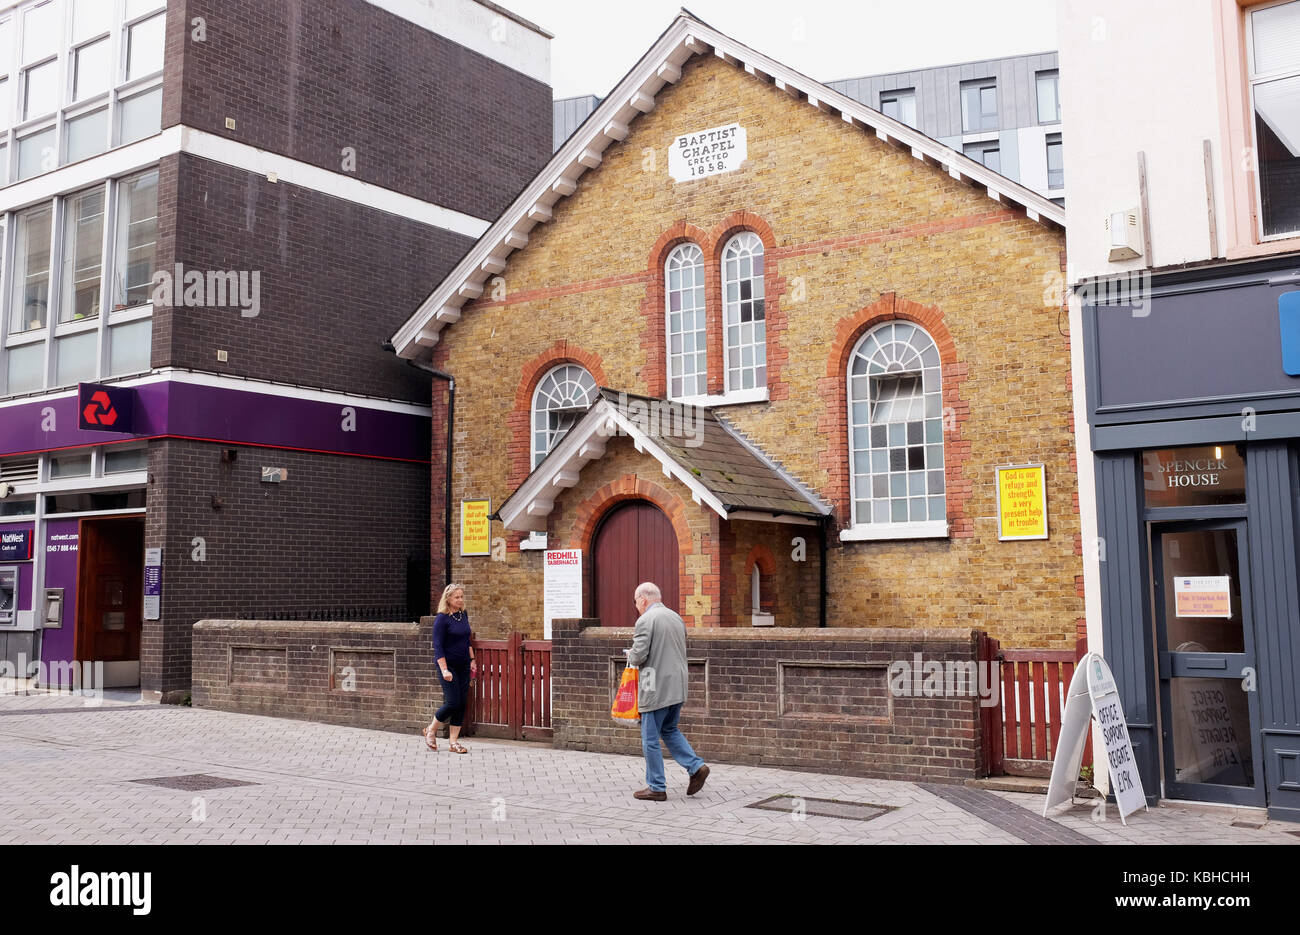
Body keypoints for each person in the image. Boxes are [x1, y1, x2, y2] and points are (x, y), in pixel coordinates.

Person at [626, 582, 709, 800]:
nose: (636, 606)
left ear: (643, 599)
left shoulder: (645, 620)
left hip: (655, 686)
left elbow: (639, 655)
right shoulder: (676, 617)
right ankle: (696, 766)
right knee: (670, 729)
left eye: (636, 602)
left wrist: (630, 654)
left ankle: (656, 787)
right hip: (677, 685)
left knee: (649, 737)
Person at [423, 583, 476, 754]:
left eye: (461, 596)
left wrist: (472, 660)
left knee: (461, 704)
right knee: (453, 702)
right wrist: (445, 670)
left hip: (464, 665)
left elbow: (466, 640)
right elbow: (438, 647)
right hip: (448, 666)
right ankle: (431, 729)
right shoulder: (441, 619)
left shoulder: (463, 615)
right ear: (448, 599)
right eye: (457, 597)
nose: (460, 600)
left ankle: (454, 743)